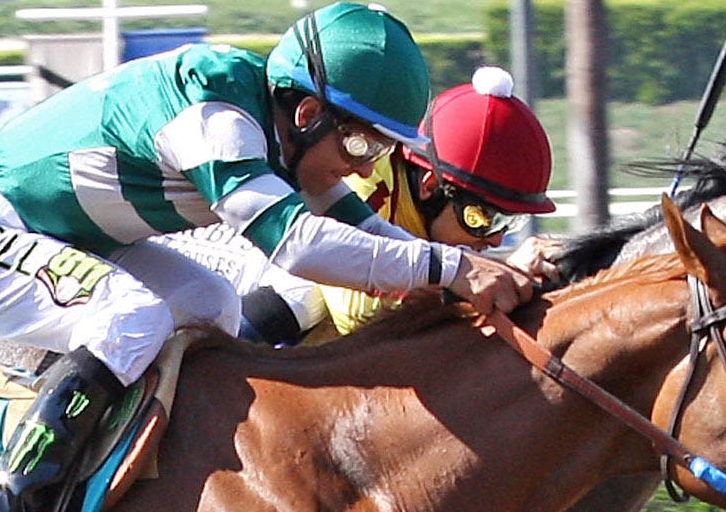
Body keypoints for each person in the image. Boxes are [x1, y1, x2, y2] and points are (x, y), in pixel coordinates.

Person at [0, 1, 546, 512]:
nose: (362, 168)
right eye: (359, 146)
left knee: (213, 305)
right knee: (130, 316)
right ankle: (6, 506)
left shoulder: (286, 127)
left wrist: (468, 268)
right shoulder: (217, 119)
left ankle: (144, 485)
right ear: (306, 115)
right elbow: (295, 246)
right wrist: (451, 267)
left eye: (379, 151)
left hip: (70, 234)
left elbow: (360, 233)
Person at [220, 65, 558, 344]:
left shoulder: (416, 197)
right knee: (305, 295)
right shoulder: (362, 175)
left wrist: (494, 274)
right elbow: (355, 312)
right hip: (229, 271)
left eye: (507, 222)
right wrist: (493, 274)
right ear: (429, 188)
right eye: (482, 217)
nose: (495, 239)